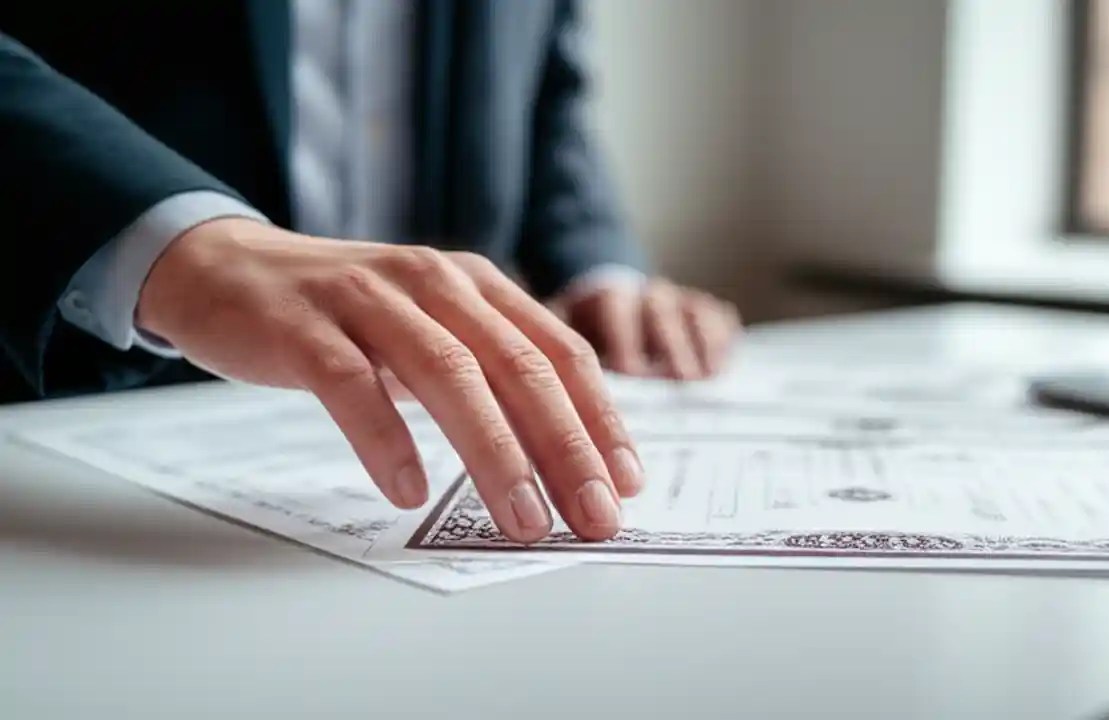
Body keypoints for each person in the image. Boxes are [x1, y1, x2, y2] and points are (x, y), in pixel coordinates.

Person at [0, 1, 741, 543]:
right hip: (71, 418)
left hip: (409, 449)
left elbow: (546, 83)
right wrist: (180, 242)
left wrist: (600, 268)